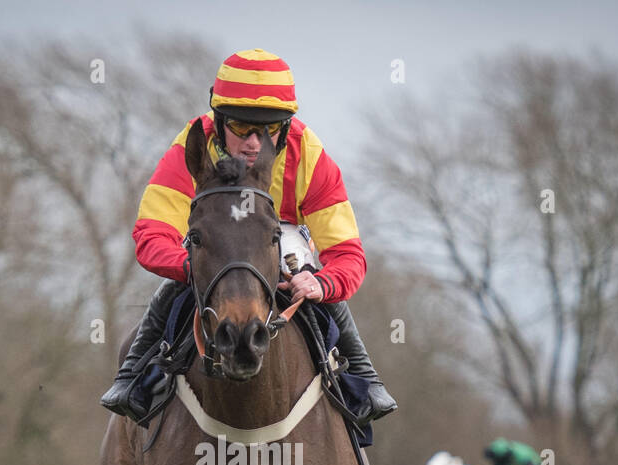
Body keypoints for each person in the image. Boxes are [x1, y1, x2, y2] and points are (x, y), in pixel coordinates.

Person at [100, 48, 396, 427]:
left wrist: (322, 282)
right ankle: (131, 377)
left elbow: (348, 254)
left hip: (277, 237)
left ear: (285, 126)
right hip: (216, 240)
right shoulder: (190, 145)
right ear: (219, 119)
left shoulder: (309, 154)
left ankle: (367, 382)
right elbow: (152, 233)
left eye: (270, 129)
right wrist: (189, 263)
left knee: (299, 257)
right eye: (241, 127)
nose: (255, 142)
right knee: (194, 264)